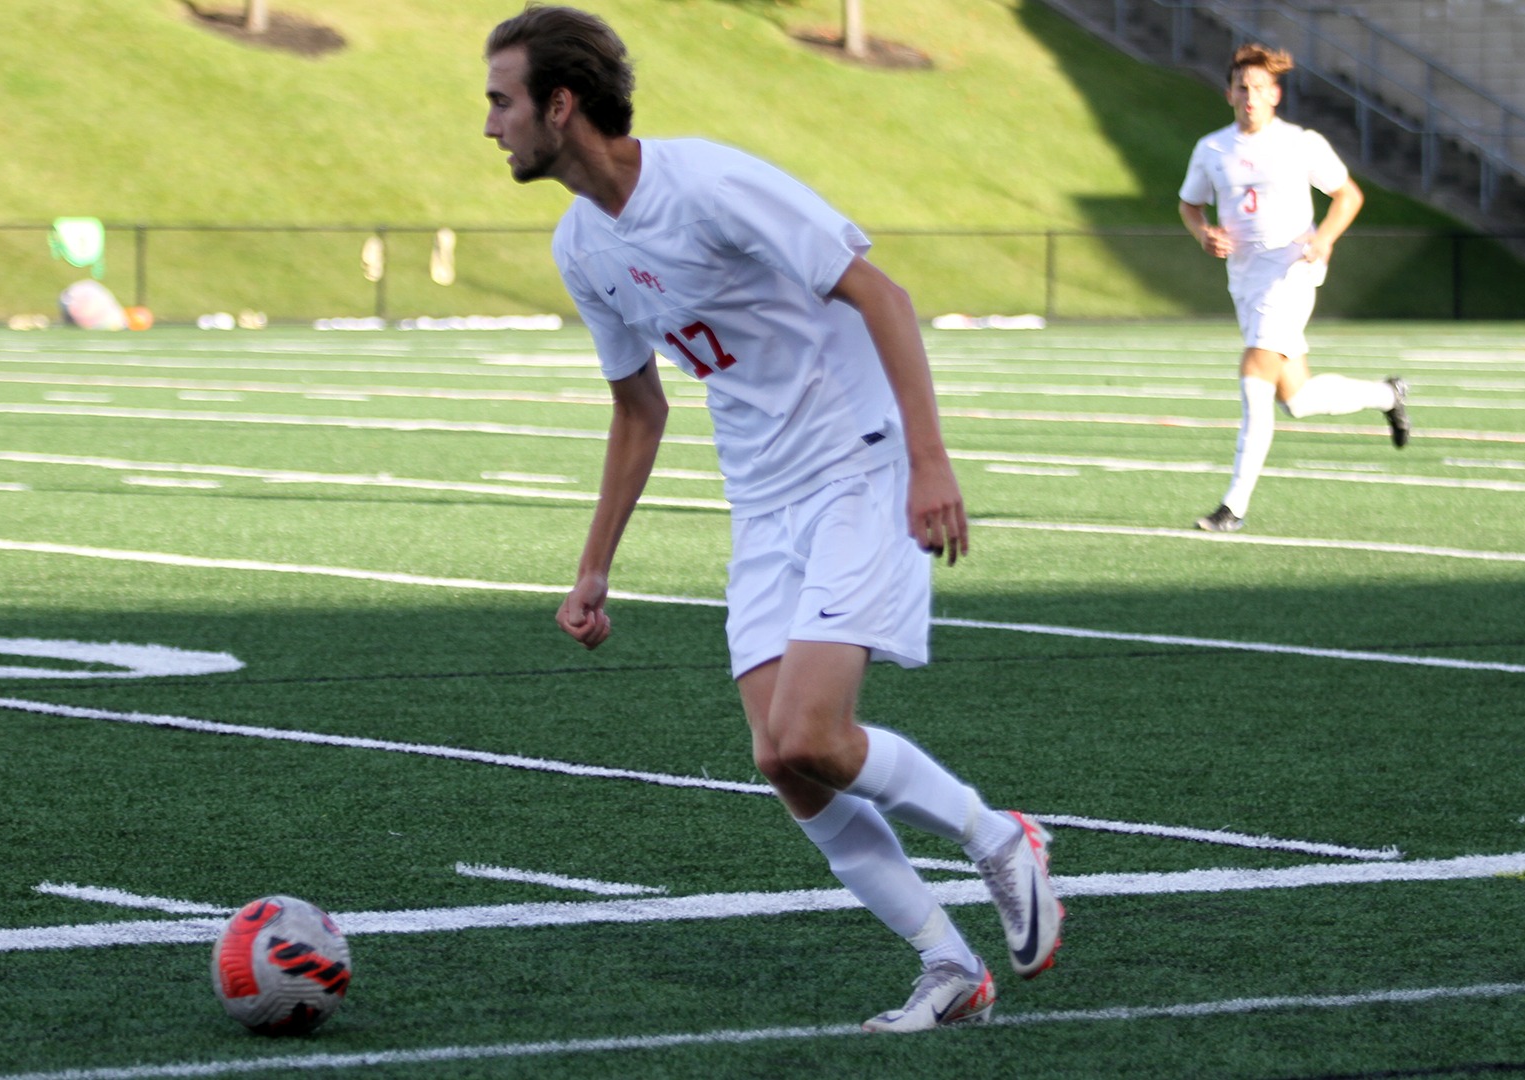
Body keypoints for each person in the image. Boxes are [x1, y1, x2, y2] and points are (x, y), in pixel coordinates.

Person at [483, 4, 1064, 1034]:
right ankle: (947, 964)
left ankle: (997, 836)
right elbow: (638, 409)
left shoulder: (708, 183)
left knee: (812, 733)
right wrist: (594, 567)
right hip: (762, 500)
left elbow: (882, 295)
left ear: (560, 105)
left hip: (858, 468)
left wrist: (930, 463)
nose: (490, 125)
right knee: (781, 759)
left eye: (501, 101)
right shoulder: (580, 244)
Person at [1177, 43, 1410, 534]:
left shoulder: (1300, 143)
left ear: (1275, 94)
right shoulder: (1211, 149)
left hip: (1290, 272)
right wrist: (1203, 234)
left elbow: (1348, 196)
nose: (1250, 96)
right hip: (1245, 279)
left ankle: (1233, 506)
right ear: (1229, 94)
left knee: (1253, 372)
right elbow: (1190, 206)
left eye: (1259, 88)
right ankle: (1387, 394)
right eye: (1242, 87)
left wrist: (1324, 239)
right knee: (1297, 399)